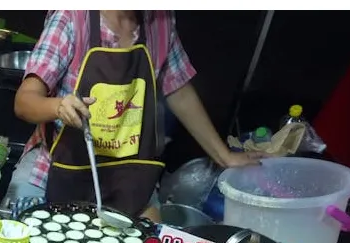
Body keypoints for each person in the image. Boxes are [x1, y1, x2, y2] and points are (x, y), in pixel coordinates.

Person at [13, 11, 261, 223]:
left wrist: (224, 155)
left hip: (125, 176)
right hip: (54, 172)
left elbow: (177, 89)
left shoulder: (159, 22)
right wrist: (58, 107)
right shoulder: (72, 17)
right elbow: (25, 101)